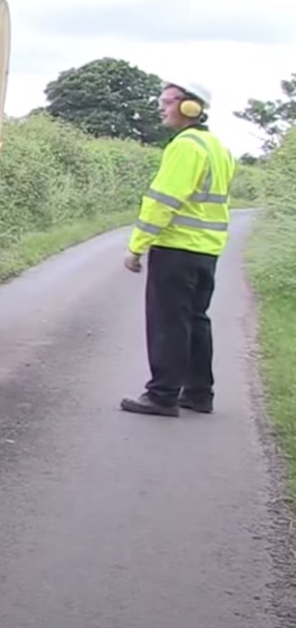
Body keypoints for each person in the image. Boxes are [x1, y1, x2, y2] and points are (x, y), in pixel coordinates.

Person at [119, 78, 238, 417]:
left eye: (169, 101)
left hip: (176, 249)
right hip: (206, 251)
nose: (162, 106)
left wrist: (137, 246)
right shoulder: (219, 148)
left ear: (191, 107)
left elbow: (163, 201)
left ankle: (162, 395)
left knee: (168, 322)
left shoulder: (186, 146)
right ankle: (199, 394)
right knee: (196, 321)